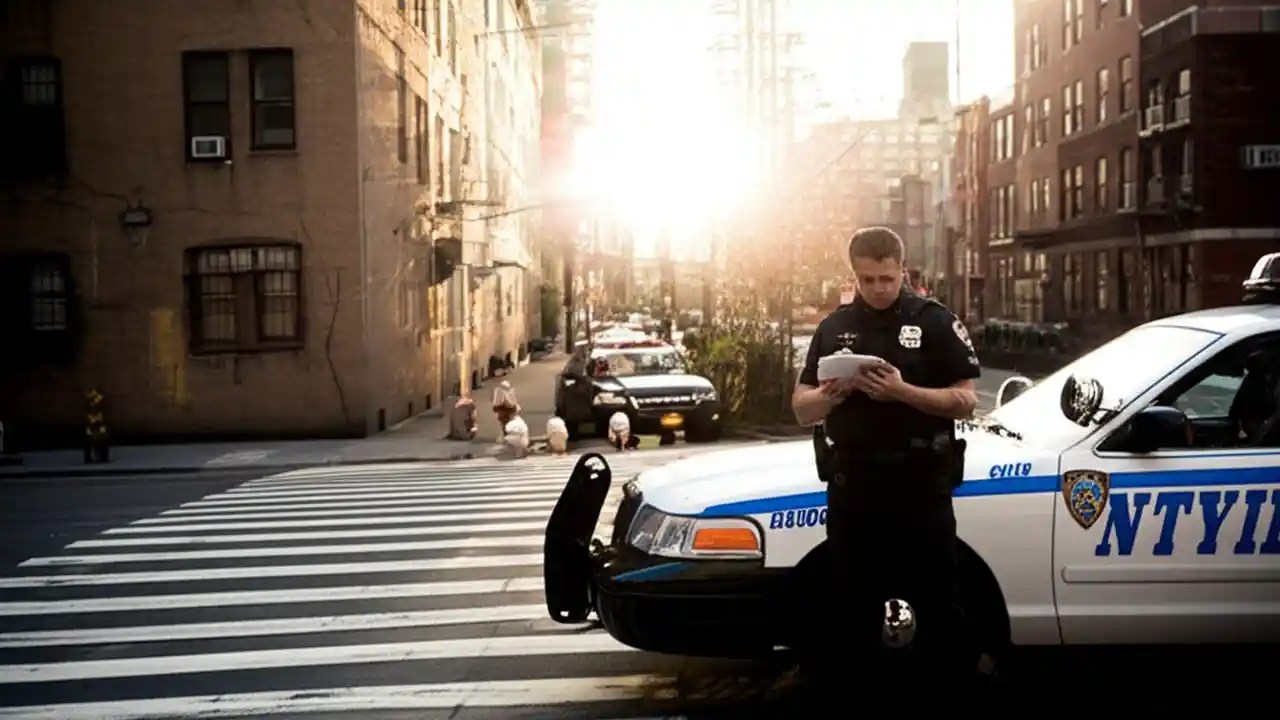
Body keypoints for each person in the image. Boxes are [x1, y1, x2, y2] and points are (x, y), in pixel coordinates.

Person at [792, 226, 982, 689]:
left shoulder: (934, 321)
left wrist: (902, 392)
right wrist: (830, 396)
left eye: (886, 278)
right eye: (867, 279)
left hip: (920, 487)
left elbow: (966, 401)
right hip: (855, 486)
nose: (878, 288)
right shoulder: (834, 327)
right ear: (854, 275)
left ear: (903, 270)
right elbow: (801, 409)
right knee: (853, 605)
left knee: (939, 604)